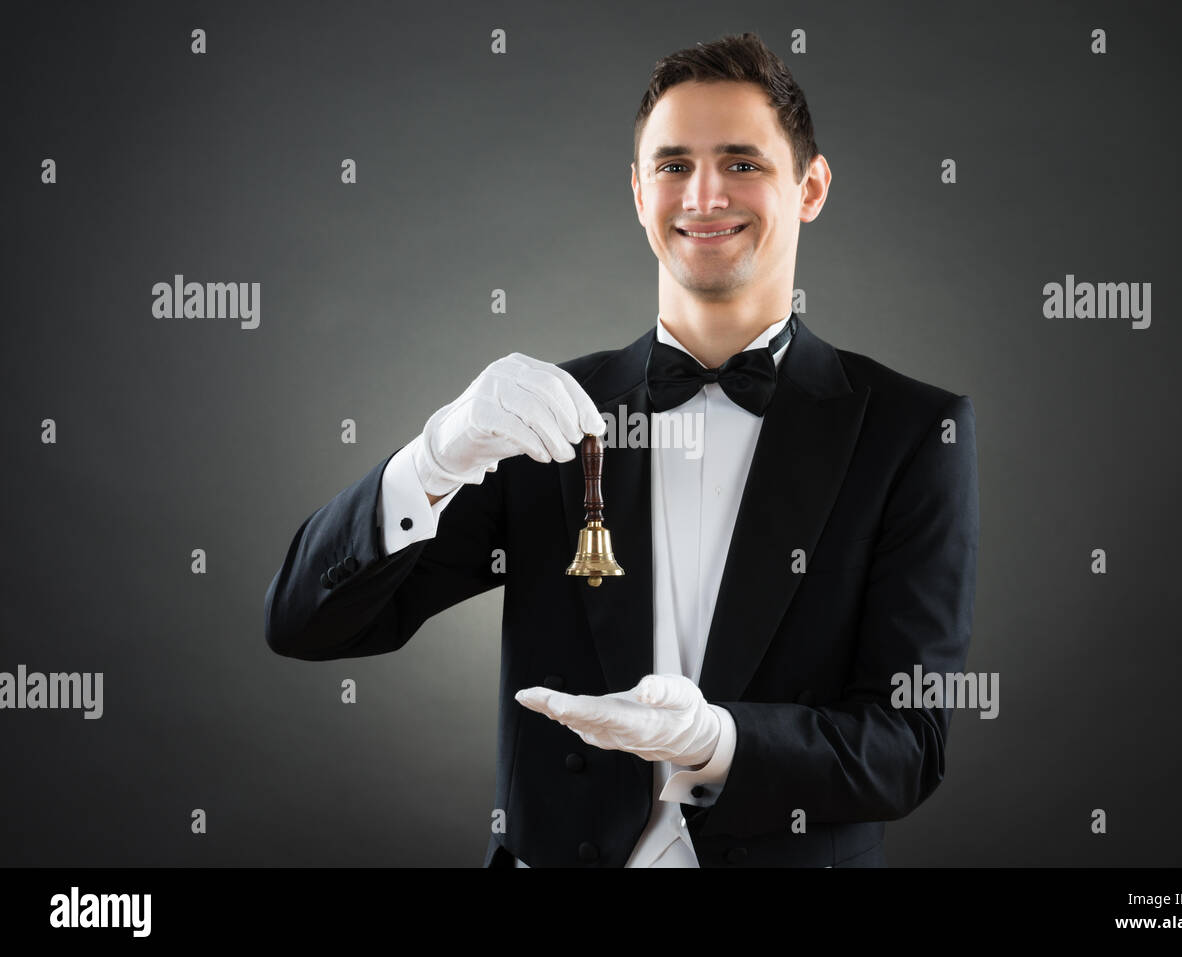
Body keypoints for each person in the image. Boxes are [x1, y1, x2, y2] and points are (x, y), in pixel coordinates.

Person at [263, 32, 979, 867]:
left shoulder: (910, 430)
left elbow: (909, 745)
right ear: (639, 193)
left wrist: (718, 739)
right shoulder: (540, 419)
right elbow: (305, 624)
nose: (704, 194)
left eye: (742, 163)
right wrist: (435, 455)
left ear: (811, 186)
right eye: (673, 165)